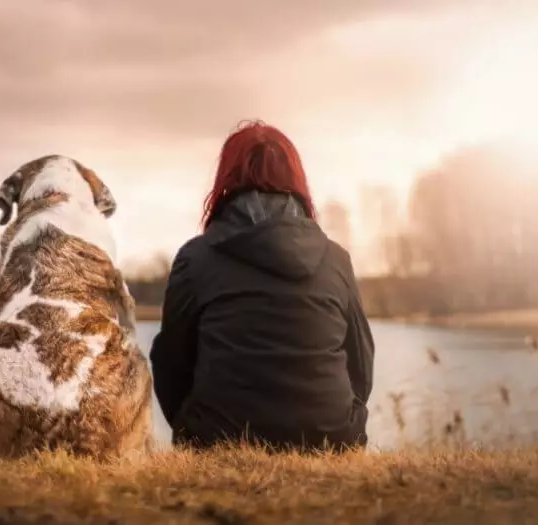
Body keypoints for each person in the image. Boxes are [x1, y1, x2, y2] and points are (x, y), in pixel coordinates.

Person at [149, 120, 375, 453]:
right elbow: (361, 364)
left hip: (219, 440)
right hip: (332, 440)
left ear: (226, 180)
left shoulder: (195, 259)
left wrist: (191, 426)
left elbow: (170, 363)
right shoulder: (336, 259)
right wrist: (336, 422)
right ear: (297, 181)